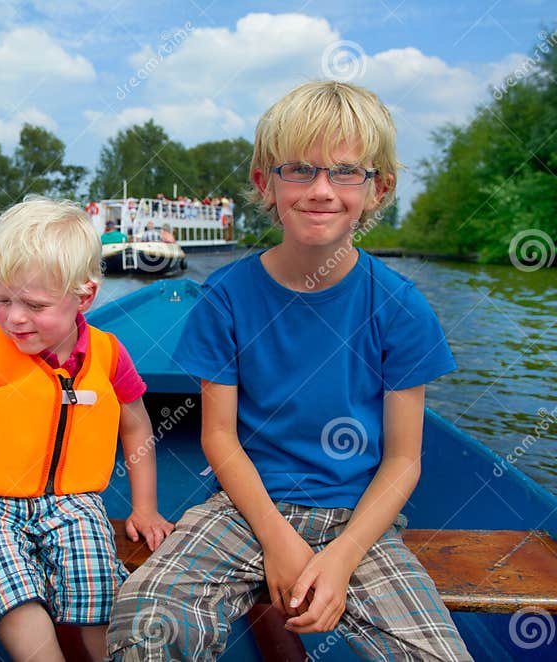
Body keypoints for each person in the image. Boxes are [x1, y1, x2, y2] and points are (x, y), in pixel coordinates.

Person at [107, 81, 473, 661]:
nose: (321, 190)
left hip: (359, 518)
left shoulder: (400, 307)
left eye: (345, 172)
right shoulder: (227, 298)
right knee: (148, 615)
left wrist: (342, 558)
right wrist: (277, 540)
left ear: (378, 188)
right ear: (265, 183)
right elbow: (219, 436)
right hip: (245, 509)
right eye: (299, 170)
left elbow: (403, 460)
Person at [0, 197, 174, 662]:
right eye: (3, 300)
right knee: (13, 598)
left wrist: (145, 507)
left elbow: (137, 428)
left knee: (99, 592)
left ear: (84, 297)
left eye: (35, 305)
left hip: (76, 503)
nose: (15, 317)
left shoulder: (108, 354)